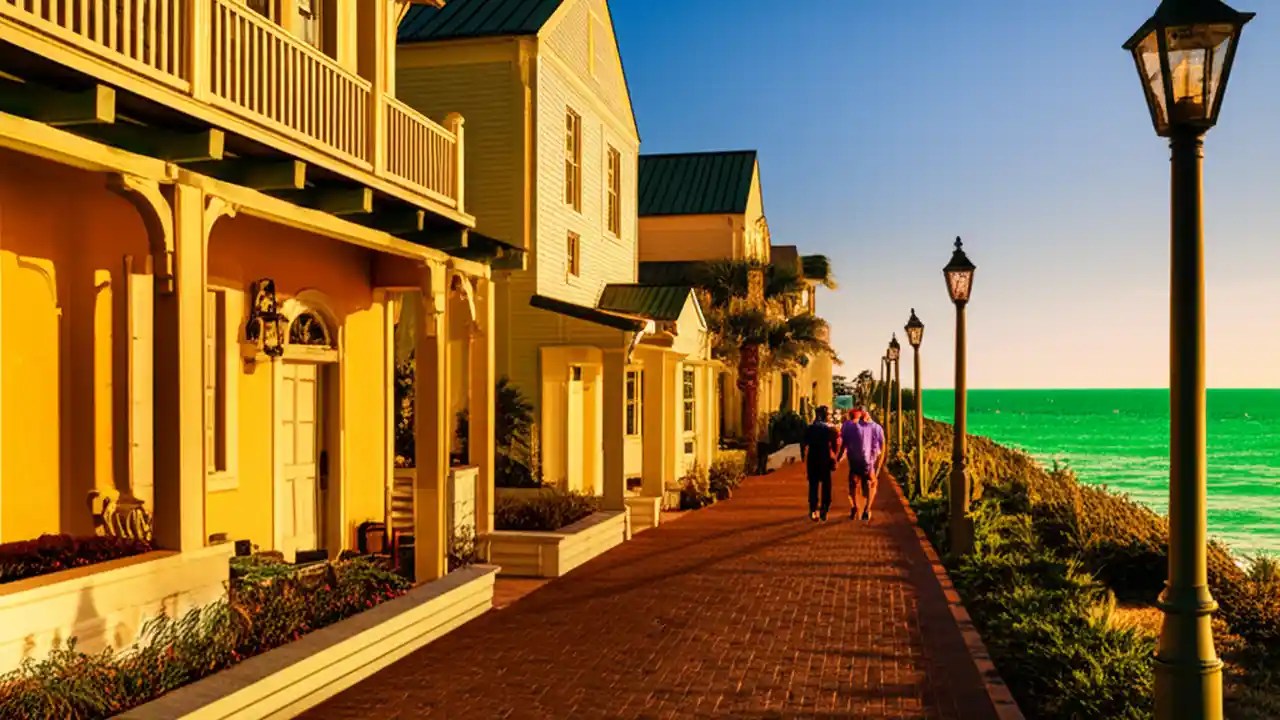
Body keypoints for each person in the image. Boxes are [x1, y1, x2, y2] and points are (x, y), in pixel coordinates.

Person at [837, 406, 886, 522]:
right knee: (870, 482)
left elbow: (843, 445)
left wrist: (838, 459)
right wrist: (878, 467)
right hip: (867, 463)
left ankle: (857, 507)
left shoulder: (848, 426)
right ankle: (866, 509)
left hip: (856, 461)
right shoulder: (875, 427)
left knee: (855, 484)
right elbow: (883, 446)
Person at [800, 405, 839, 522]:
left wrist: (803, 457)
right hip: (825, 458)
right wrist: (834, 457)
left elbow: (803, 443)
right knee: (826, 485)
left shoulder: (810, 428)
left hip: (813, 458)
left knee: (813, 485)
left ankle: (813, 509)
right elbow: (835, 444)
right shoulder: (830, 430)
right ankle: (824, 509)